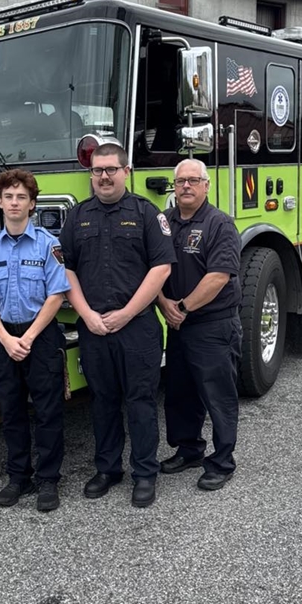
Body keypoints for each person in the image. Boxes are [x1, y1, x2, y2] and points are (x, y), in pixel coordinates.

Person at [59, 143, 174, 508]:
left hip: (137, 326)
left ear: (126, 172)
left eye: (111, 169)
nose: (104, 177)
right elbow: (67, 271)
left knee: (140, 402)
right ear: (90, 175)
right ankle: (108, 469)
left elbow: (161, 268)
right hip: (94, 328)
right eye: (97, 171)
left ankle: (144, 473)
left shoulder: (146, 213)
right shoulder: (77, 217)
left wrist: (126, 313)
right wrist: (87, 315)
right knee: (103, 401)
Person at [0, 170, 70, 512]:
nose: (14, 203)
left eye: (21, 197)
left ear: (32, 204)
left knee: (47, 411)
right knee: (11, 410)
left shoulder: (49, 244)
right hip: (5, 336)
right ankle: (18, 476)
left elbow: (57, 294)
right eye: (8, 197)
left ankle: (48, 479)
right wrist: (4, 337)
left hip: (40, 336)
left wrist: (28, 337)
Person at [157, 159, 242, 491]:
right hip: (177, 323)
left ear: (206, 185)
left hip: (212, 324)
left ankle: (222, 461)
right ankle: (189, 449)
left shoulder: (220, 224)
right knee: (180, 393)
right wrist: (164, 304)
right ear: (174, 187)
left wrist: (182, 307)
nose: (186, 187)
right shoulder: (164, 222)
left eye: (194, 180)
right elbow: (155, 268)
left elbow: (219, 276)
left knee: (217, 395)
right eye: (180, 181)